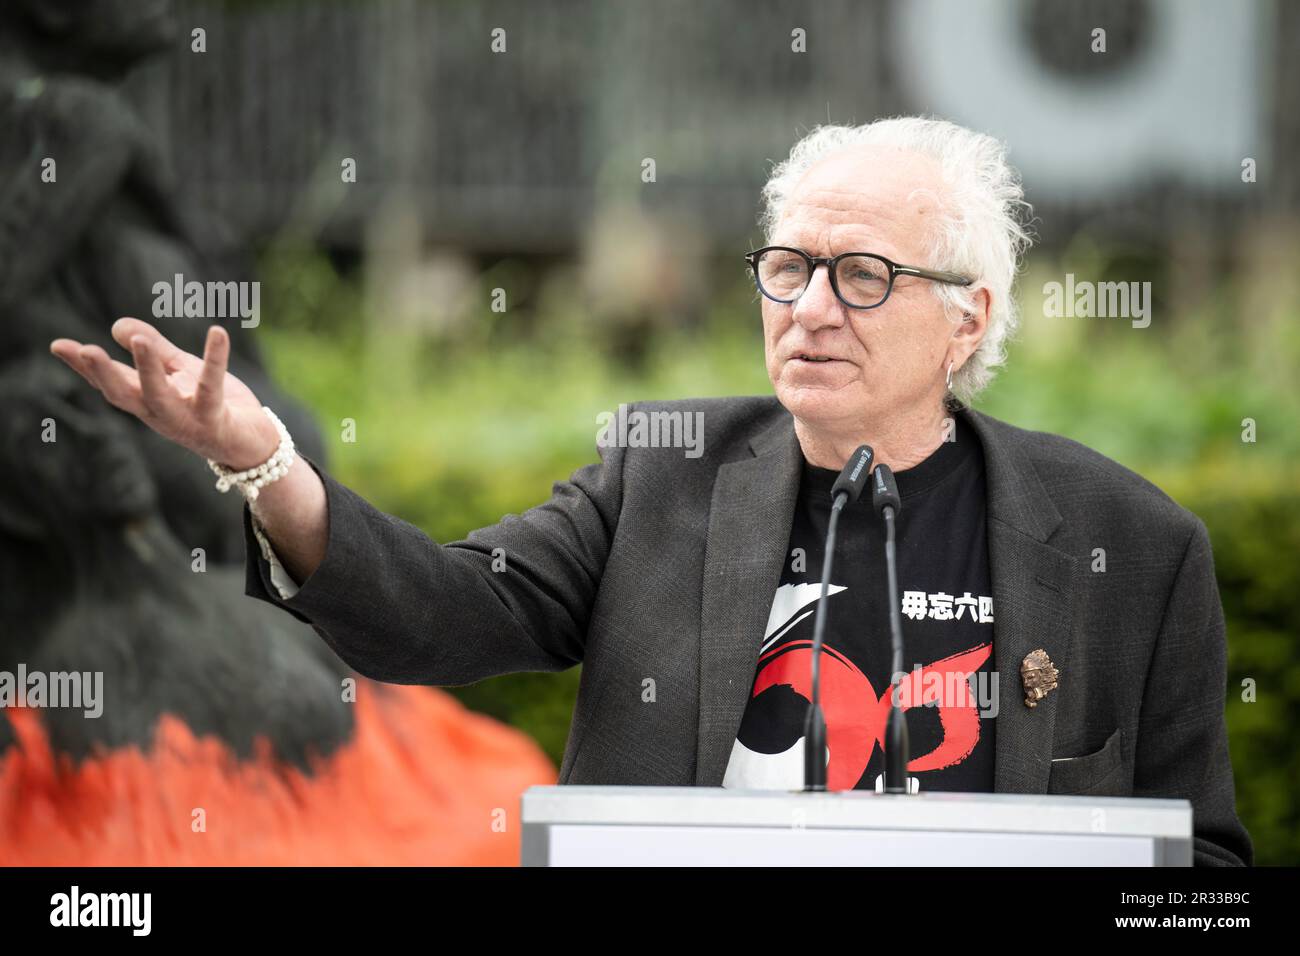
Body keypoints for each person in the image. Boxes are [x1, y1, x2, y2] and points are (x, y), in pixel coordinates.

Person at [50, 116, 1252, 865]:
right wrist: (268, 463)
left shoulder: (1127, 544)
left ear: (966, 318)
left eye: (864, 275)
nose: (810, 306)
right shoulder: (664, 471)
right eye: (788, 267)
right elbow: (448, 607)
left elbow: (1197, 868)